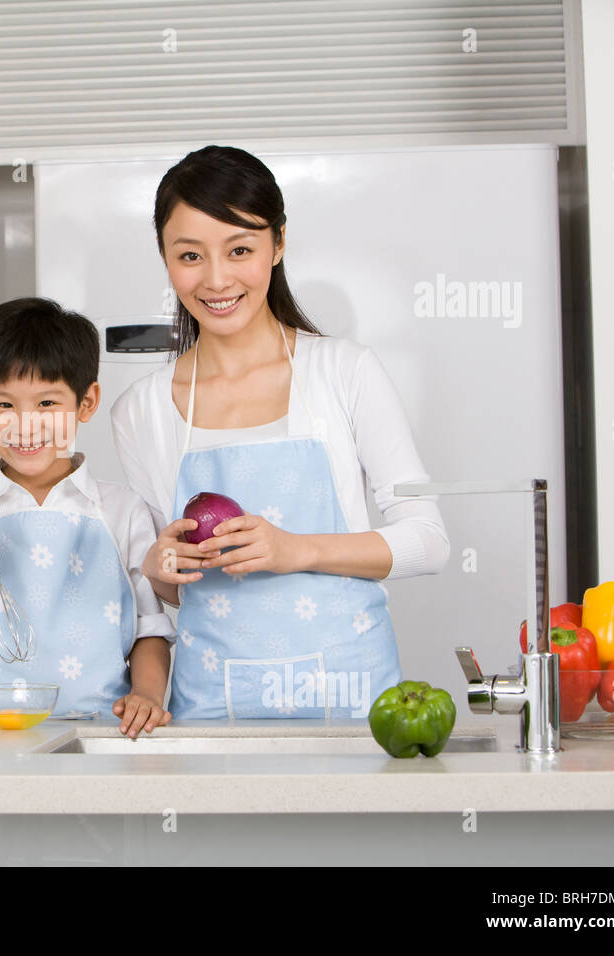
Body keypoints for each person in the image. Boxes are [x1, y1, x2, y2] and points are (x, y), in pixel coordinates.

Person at [110, 145, 450, 720]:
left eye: (239, 250)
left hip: (350, 707)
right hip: (215, 712)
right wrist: (159, 566)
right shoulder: (140, 410)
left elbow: (429, 541)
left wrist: (295, 550)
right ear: (166, 259)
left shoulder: (345, 372)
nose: (216, 280)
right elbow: (171, 591)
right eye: (190, 255)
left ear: (279, 244)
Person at [0, 298, 174, 736]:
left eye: (46, 403)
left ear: (87, 402)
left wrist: (148, 696)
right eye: (4, 406)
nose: (26, 426)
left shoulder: (122, 510)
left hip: (104, 734)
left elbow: (148, 629)